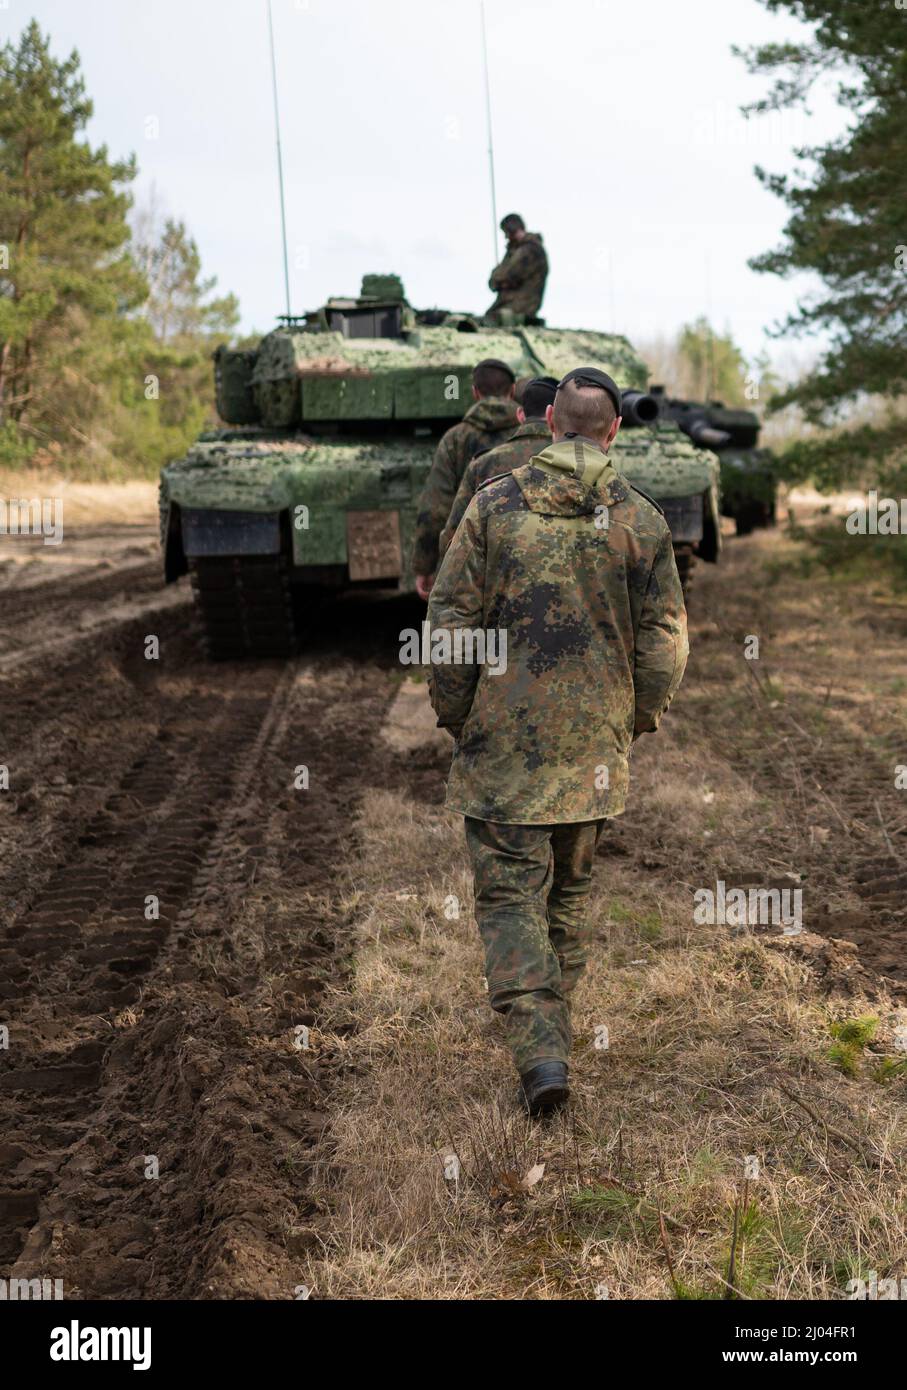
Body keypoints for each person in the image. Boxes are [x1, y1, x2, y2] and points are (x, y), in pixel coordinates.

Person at [427, 367, 688, 1115]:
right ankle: (549, 1039)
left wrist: (458, 715)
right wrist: (632, 719)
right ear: (612, 431)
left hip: (504, 744)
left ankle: (541, 1049)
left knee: (511, 900)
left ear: (547, 424)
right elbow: (665, 642)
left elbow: (448, 628)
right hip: (593, 753)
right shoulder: (638, 518)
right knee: (567, 898)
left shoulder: (491, 508)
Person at [411, 358, 518, 598]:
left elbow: (435, 509)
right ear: (513, 391)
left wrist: (425, 566)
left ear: (474, 392)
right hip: (525, 559)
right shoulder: (527, 436)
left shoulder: (455, 439)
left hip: (471, 564)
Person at [437, 376, 557, 562]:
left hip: (498, 580)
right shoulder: (581, 464)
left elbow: (456, 537)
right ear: (554, 414)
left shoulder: (483, 464)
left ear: (520, 415)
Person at [487, 214, 548, 323]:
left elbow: (508, 276)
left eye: (506, 233)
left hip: (520, 307)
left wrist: (499, 279)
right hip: (509, 305)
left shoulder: (530, 250)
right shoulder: (515, 250)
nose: (506, 237)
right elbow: (494, 280)